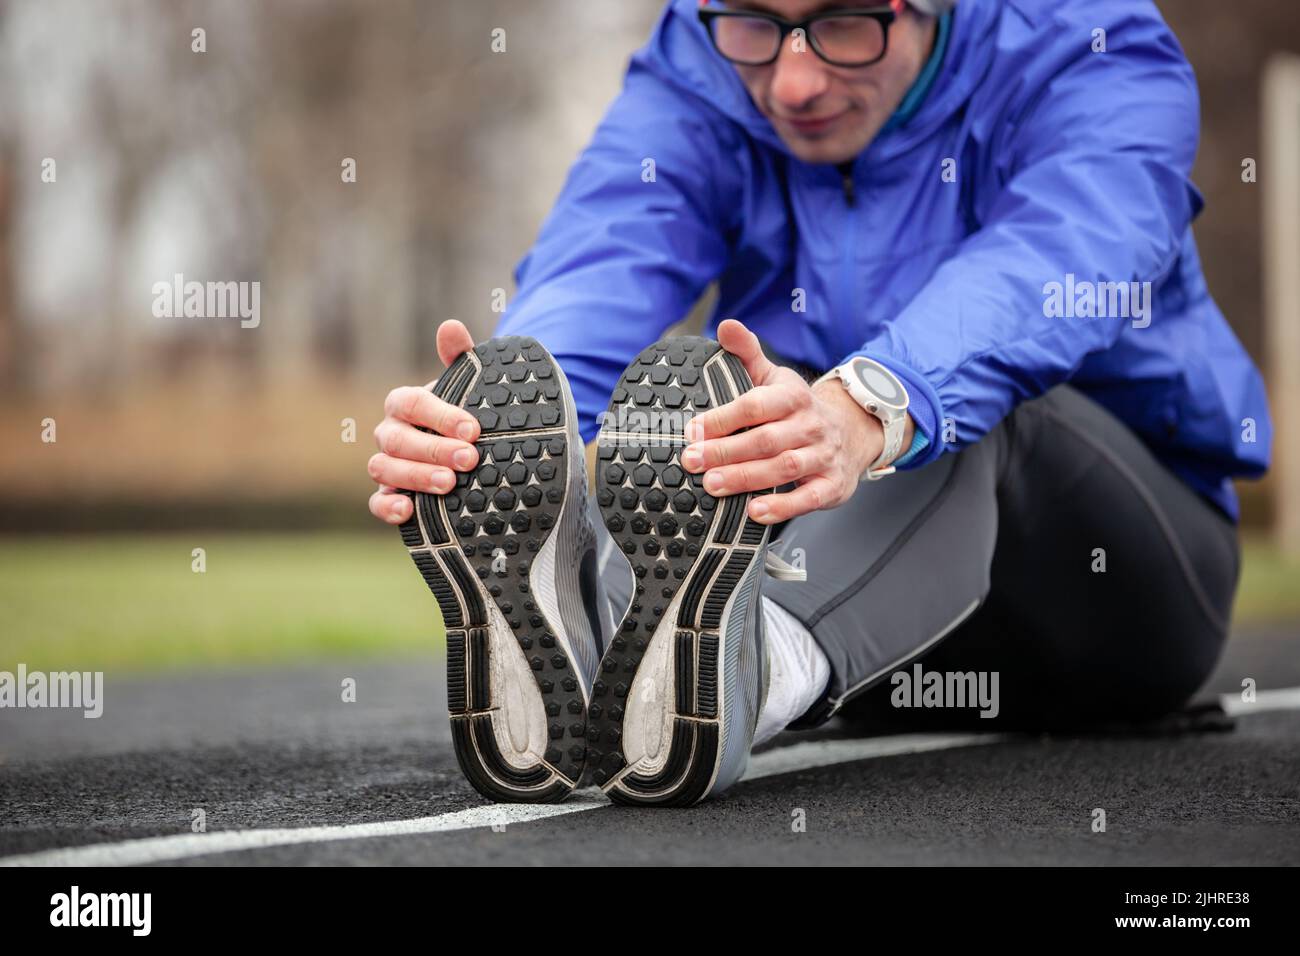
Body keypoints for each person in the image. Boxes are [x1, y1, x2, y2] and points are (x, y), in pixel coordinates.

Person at [366, 0, 1272, 806]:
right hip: (872, 624)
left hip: (1110, 599)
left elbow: (1067, 248)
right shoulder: (705, 56)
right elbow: (611, 246)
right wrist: (491, 427)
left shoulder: (1094, 44)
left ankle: (747, 674)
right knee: (699, 409)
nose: (793, 82)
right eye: (757, 25)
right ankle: (623, 666)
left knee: (951, 407)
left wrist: (871, 403)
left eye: (844, 24)